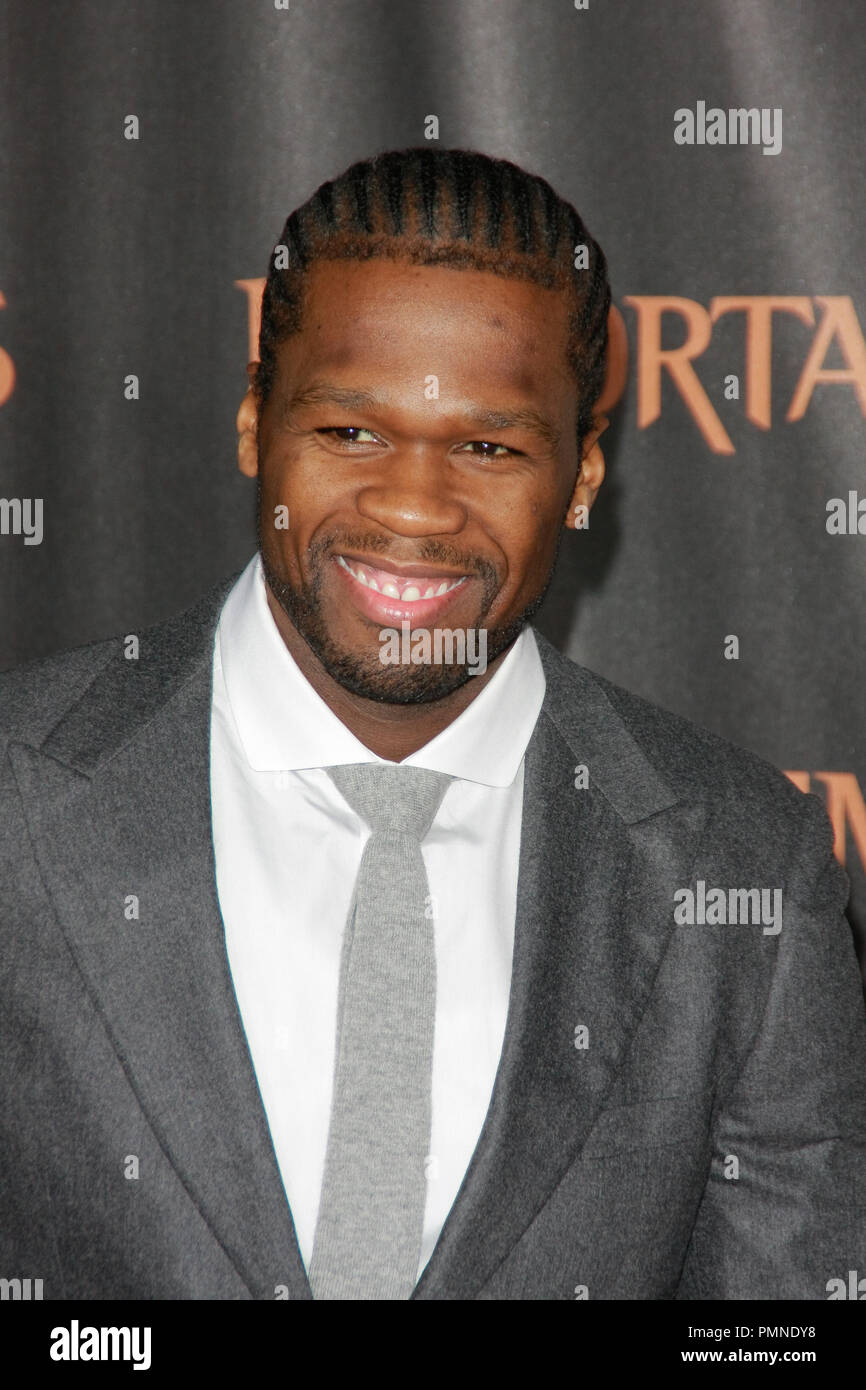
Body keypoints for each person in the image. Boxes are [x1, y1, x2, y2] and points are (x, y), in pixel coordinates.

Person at [1, 147, 864, 1302]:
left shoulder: (746, 867)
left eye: (488, 446)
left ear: (581, 476)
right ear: (255, 425)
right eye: (350, 433)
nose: (412, 506)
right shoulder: (19, 798)